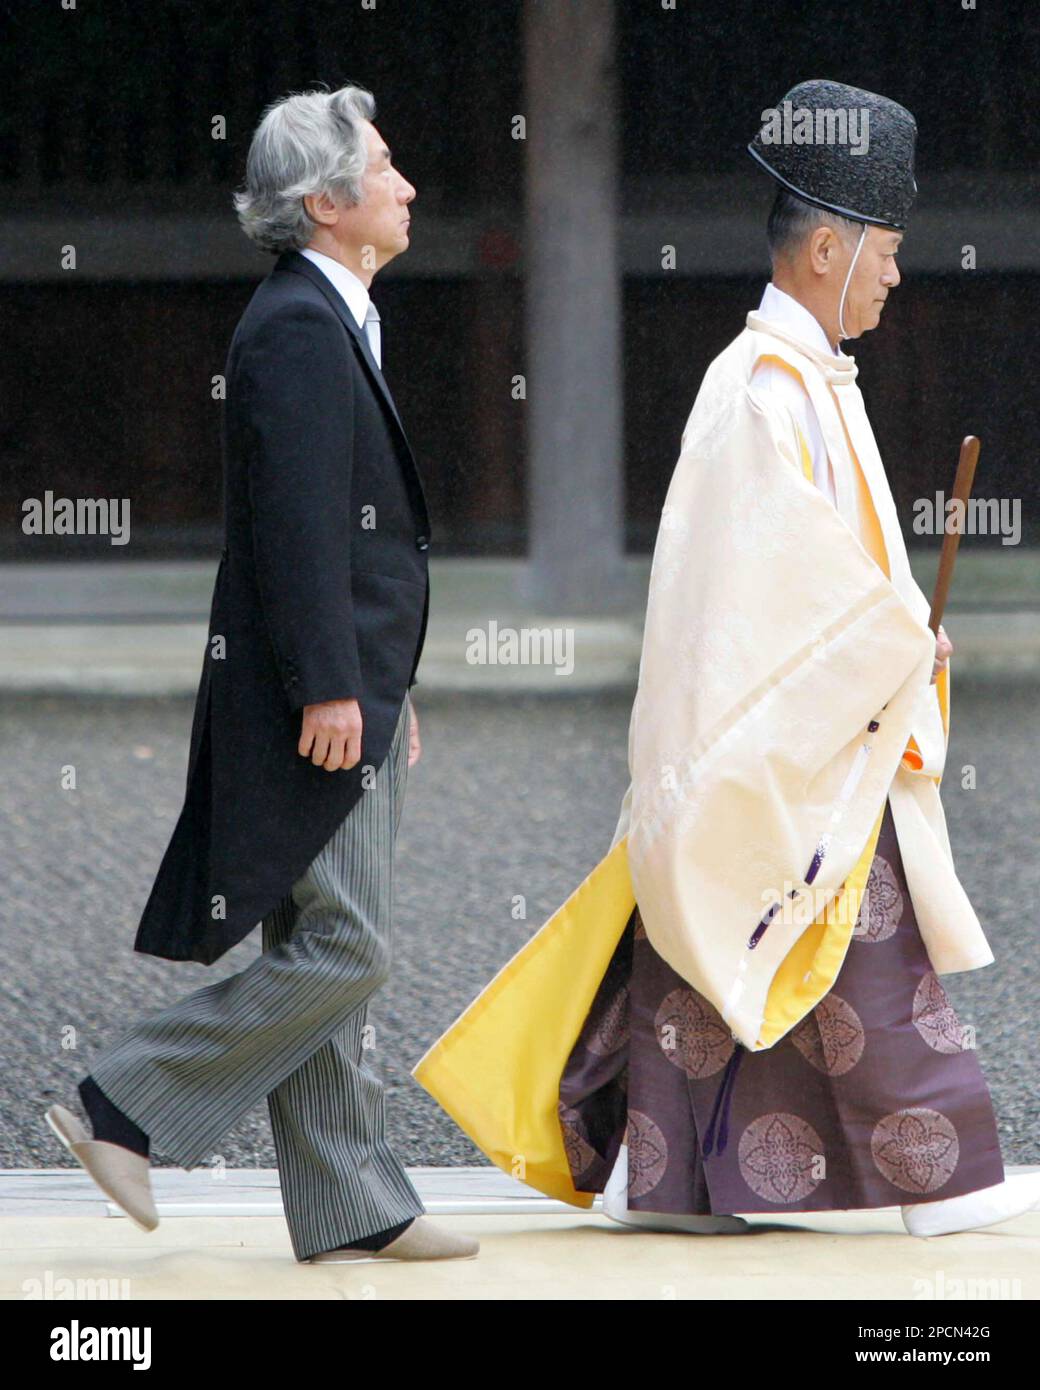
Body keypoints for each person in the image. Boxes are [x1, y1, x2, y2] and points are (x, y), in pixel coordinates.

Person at [412, 80, 1039, 1241]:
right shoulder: (759, 391)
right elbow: (769, 582)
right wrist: (891, 637)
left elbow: (828, 563)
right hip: (792, 729)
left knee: (726, 952)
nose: (896, 274)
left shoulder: (800, 381)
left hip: (817, 715)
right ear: (824, 251)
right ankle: (937, 1174)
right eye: (885, 252)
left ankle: (670, 1180)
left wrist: (903, 628)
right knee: (861, 951)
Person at [44, 83, 477, 1266]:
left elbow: (347, 533)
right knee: (345, 948)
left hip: (349, 683)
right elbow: (294, 529)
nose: (406, 187)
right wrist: (332, 686)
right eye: (382, 169)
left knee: (329, 940)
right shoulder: (296, 326)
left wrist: (387, 682)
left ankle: (351, 1203)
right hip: (310, 697)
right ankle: (120, 1102)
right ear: (326, 203)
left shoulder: (328, 314)